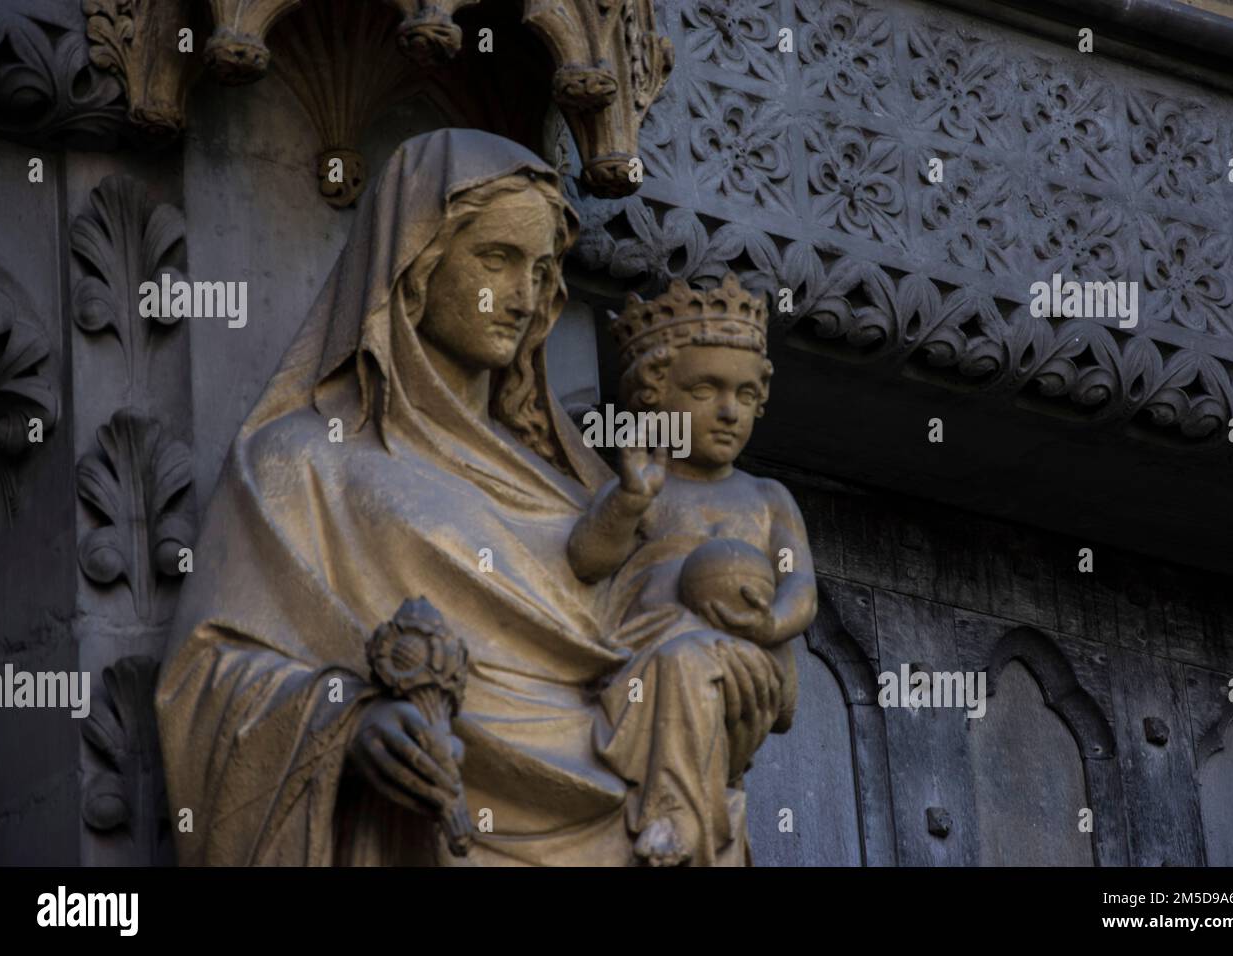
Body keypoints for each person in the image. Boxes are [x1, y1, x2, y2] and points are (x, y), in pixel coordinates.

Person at [155, 129, 784, 866]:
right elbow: (209, 679)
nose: (523, 298)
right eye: (497, 259)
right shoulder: (308, 463)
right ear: (416, 266)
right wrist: (349, 727)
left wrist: (729, 680)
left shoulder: (585, 491)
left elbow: (655, 654)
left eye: (543, 269)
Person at [568, 274, 817, 865]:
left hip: (748, 656)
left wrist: (770, 624)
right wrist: (627, 500)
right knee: (682, 662)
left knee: (688, 662)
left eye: (747, 394)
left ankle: (679, 817)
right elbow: (585, 559)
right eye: (706, 389)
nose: (730, 411)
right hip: (649, 658)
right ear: (654, 393)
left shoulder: (766, 498)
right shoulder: (645, 487)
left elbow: (800, 584)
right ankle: (689, 815)